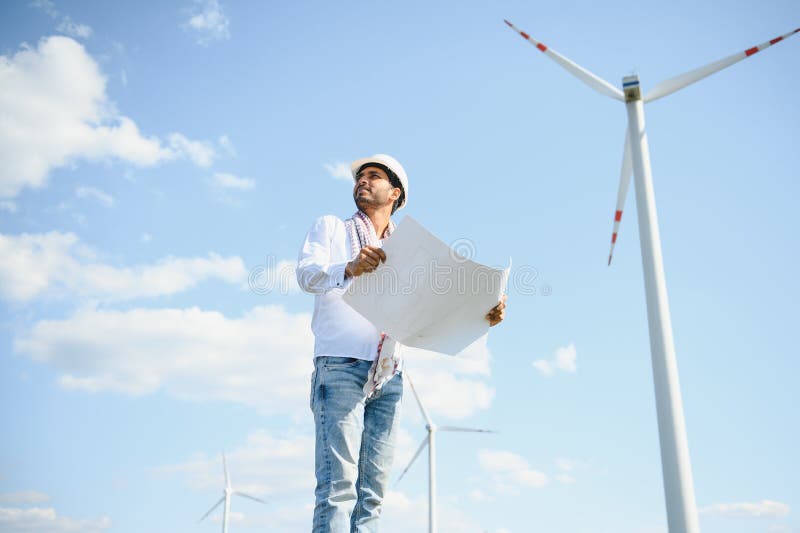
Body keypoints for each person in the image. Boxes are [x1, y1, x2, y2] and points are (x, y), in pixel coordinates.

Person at [296, 154, 506, 532]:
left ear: (395, 193)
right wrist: (349, 267)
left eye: (373, 176)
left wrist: (482, 311)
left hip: (388, 376)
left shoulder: (410, 249)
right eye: (359, 177)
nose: (362, 181)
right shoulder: (331, 227)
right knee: (337, 490)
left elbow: (438, 304)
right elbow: (307, 275)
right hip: (340, 366)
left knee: (371, 497)